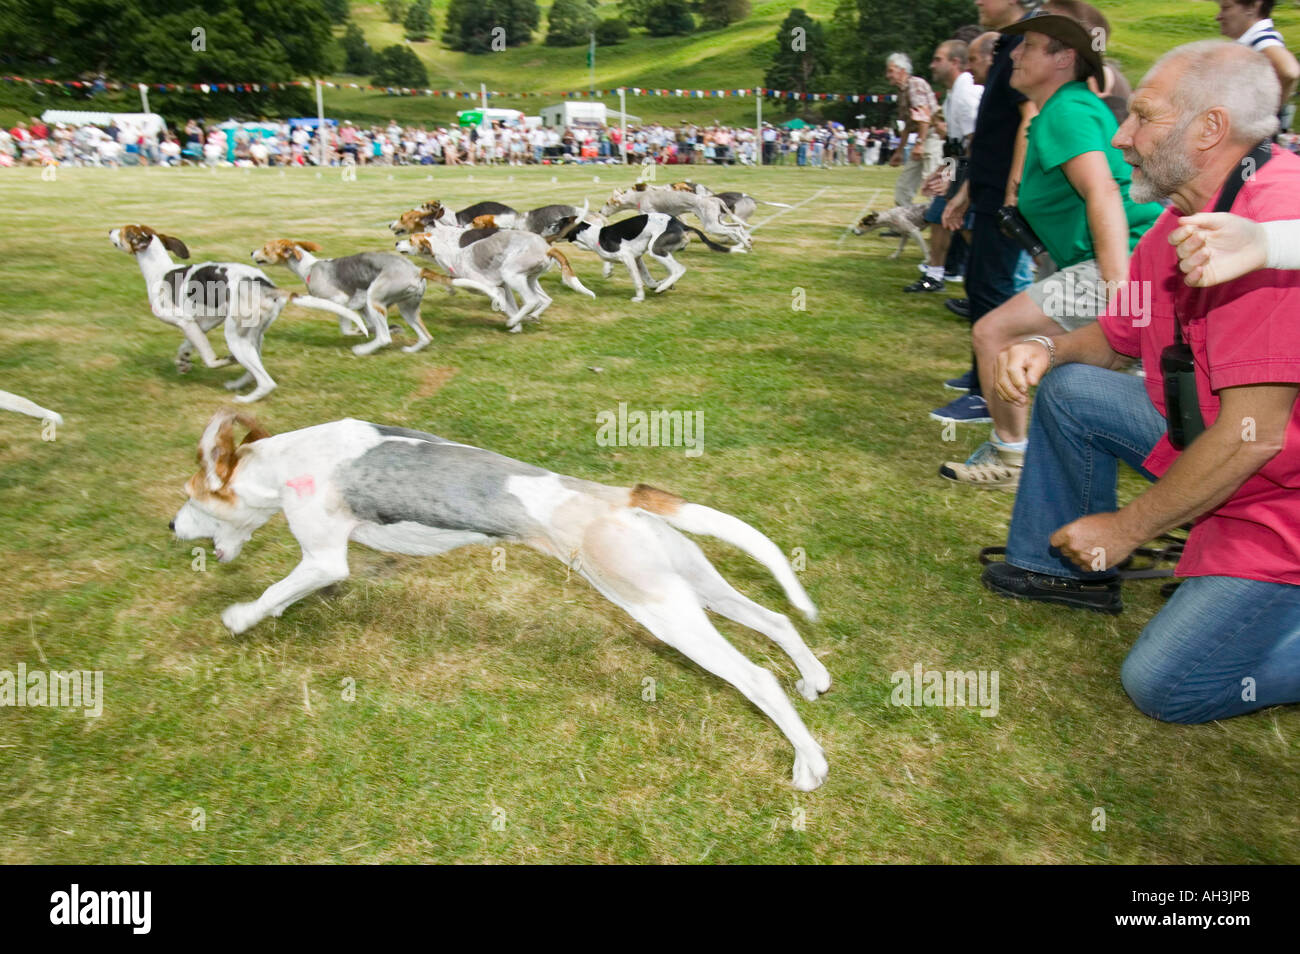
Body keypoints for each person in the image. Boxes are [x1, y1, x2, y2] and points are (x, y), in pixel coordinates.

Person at [983, 40, 1300, 723]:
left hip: (1277, 498)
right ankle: (1062, 571)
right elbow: (1116, 338)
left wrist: (1126, 529)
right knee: (1070, 392)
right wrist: (1045, 346)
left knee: (1166, 684)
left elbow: (1254, 438)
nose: (1121, 136)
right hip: (1226, 454)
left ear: (1210, 128)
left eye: (1143, 117)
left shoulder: (1270, 226)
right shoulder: (1187, 211)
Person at [939, 2, 1163, 489]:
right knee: (1096, 368)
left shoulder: (1066, 110)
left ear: (1063, 59)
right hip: (1131, 257)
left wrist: (1117, 284)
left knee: (993, 333)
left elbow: (1102, 190)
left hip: (1125, 259)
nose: (1015, 54)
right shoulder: (1062, 110)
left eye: (1030, 46)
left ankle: (1012, 459)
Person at [935, 0, 1042, 425]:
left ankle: (989, 396)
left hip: (1003, 192)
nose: (978, 2)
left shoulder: (1026, 42)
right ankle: (981, 375)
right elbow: (992, 129)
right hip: (987, 188)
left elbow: (1028, 117)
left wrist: (1012, 189)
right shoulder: (1008, 45)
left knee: (994, 290)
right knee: (981, 285)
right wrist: (965, 190)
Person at [906, 39, 984, 294]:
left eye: (937, 59)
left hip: (974, 166)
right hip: (960, 164)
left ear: (955, 63)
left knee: (966, 227)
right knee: (938, 217)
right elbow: (955, 144)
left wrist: (958, 178)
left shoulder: (966, 94)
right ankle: (935, 274)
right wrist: (941, 172)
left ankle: (989, 284)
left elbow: (978, 142)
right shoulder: (953, 95)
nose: (932, 65)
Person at [1215, 0, 1299, 129]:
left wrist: (1262, 116)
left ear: (1253, 6)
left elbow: (1288, 71)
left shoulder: (1261, 38)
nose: (1218, 17)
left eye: (1226, 8)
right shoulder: (1249, 41)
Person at [887, 52, 944, 205]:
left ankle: (941, 223)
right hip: (923, 137)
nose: (888, 75)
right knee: (904, 184)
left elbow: (924, 115)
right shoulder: (902, 91)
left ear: (902, 71)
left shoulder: (915, 84)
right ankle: (901, 224)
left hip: (931, 136)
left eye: (890, 71)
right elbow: (908, 125)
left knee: (932, 182)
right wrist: (899, 151)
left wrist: (920, 143)